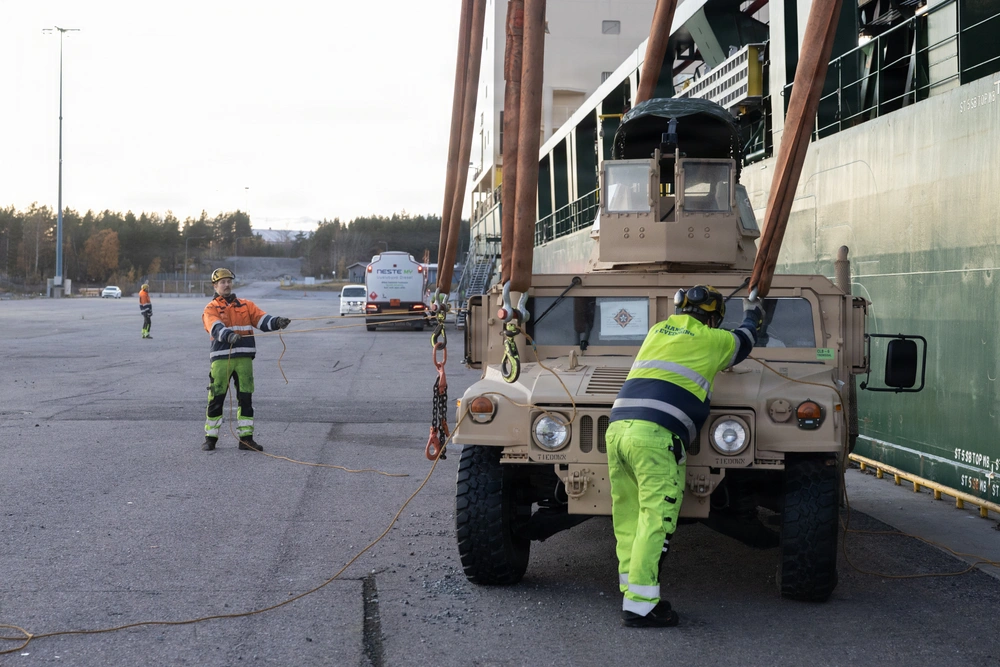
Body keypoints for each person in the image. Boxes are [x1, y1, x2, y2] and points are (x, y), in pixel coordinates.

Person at [606, 285, 761, 627]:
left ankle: (631, 590)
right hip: (654, 434)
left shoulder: (657, 331)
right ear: (713, 317)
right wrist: (753, 314)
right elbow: (744, 342)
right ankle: (642, 607)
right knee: (656, 517)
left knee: (629, 515)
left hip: (617, 428)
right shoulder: (712, 339)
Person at [201, 268, 291, 452]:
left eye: (228, 281)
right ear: (215, 286)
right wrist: (228, 335)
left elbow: (261, 319)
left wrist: (277, 322)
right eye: (222, 282)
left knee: (246, 399)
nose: (226, 285)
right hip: (221, 359)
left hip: (244, 358)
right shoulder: (211, 308)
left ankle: (246, 439)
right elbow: (214, 326)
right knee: (216, 398)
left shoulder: (246, 305)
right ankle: (210, 438)